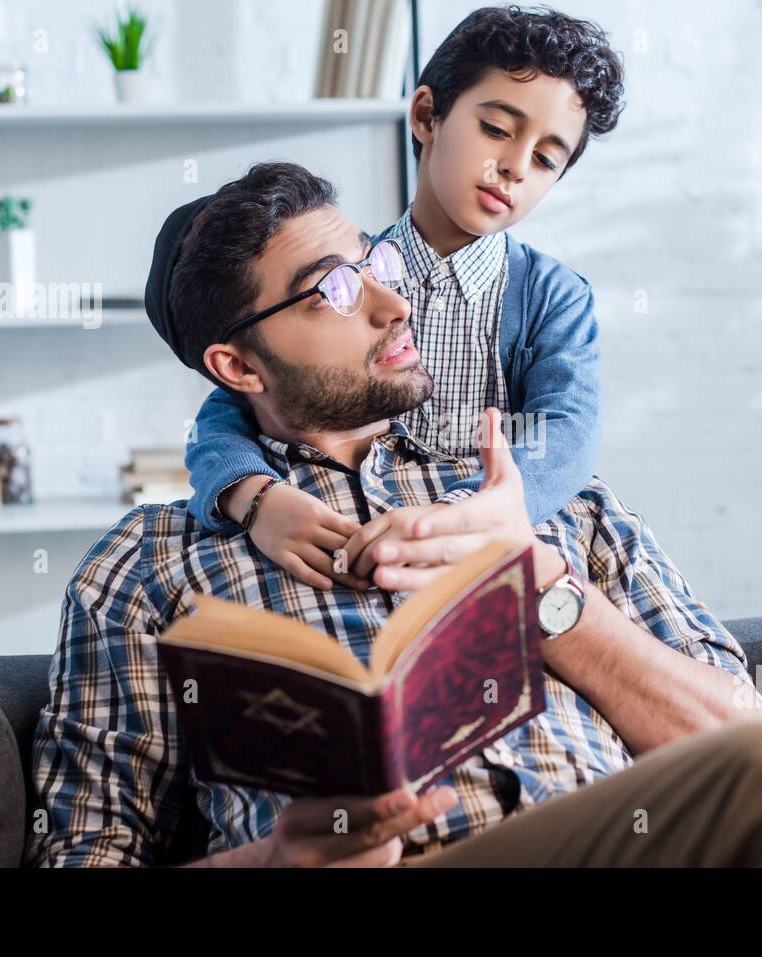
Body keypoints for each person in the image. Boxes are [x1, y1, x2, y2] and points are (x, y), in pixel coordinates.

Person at [26, 162, 762, 868]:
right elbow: (81, 852)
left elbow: (741, 736)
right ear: (237, 366)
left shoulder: (541, 497)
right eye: (335, 289)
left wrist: (543, 586)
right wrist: (277, 860)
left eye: (375, 263)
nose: (393, 303)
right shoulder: (149, 566)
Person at [178, 6, 620, 592]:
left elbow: (567, 432)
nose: (514, 167)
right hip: (353, 540)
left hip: (480, 552)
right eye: (496, 130)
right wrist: (253, 496)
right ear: (427, 116)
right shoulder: (345, 274)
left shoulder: (552, 298)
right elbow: (230, 405)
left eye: (544, 160)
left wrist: (466, 514)